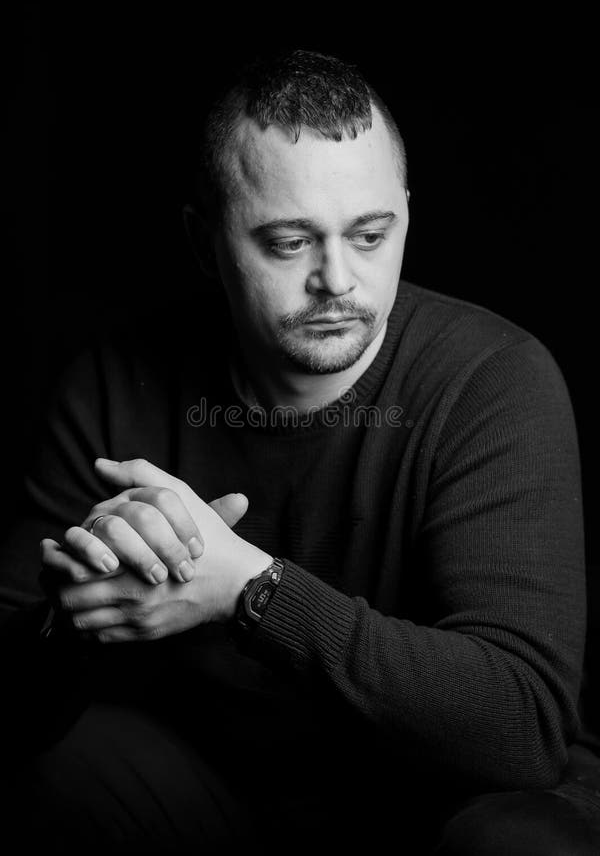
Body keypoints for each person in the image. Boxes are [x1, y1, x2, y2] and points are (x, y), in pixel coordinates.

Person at [1, 49, 599, 855]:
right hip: (227, 792)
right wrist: (78, 615)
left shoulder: (495, 379)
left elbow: (519, 727)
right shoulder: (115, 384)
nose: (339, 280)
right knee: (38, 771)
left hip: (448, 805)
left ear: (407, 217)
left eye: (370, 234)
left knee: (523, 842)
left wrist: (251, 589)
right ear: (204, 242)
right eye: (289, 243)